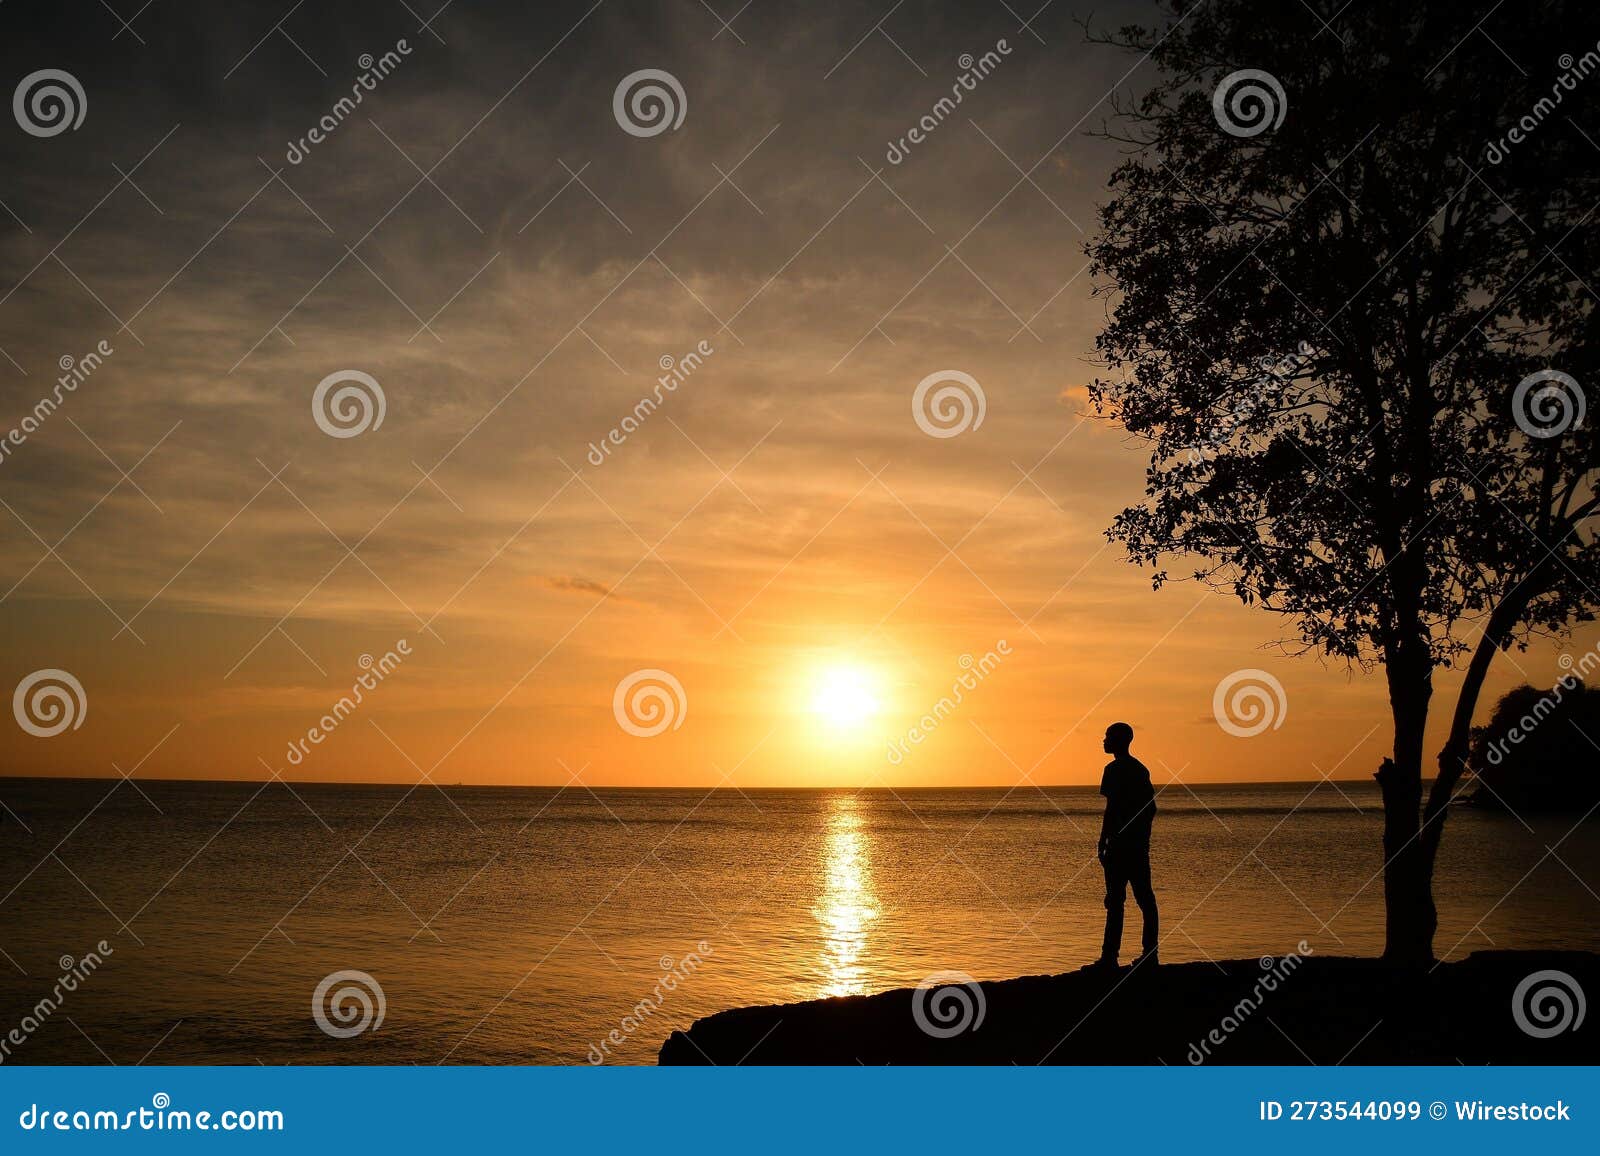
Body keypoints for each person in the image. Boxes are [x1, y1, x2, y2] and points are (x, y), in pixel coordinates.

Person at [1093, 722, 1158, 969]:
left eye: (1108, 736)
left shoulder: (1114, 769)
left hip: (1123, 846)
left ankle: (1111, 957)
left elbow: (1111, 811)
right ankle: (1147, 954)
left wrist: (1104, 840)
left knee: (1118, 901)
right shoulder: (1140, 769)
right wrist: (1141, 837)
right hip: (1135, 845)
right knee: (1141, 899)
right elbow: (1150, 808)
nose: (1104, 740)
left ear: (1119, 740)